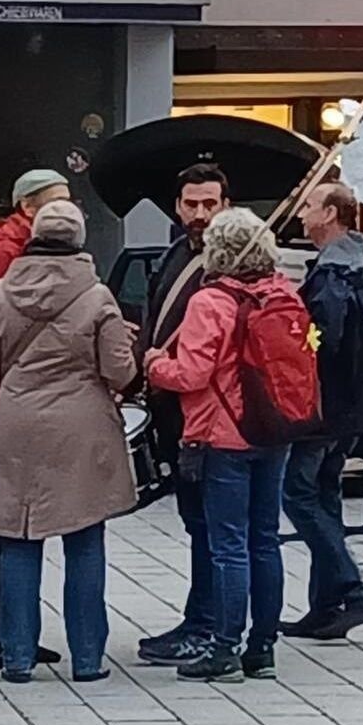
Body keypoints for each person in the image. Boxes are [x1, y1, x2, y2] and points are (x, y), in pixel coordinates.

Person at [0, 201, 136, 684]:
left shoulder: (1, 292)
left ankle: (16, 656)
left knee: (19, 537)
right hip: (82, 424)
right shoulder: (98, 297)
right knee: (84, 539)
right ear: (79, 241)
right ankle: (87, 659)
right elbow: (119, 370)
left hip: (17, 419)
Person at [146, 208, 303, 683]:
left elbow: (190, 374)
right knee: (265, 540)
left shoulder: (210, 301)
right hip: (274, 430)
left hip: (222, 434)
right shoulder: (284, 293)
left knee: (227, 545)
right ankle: (263, 648)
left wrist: (155, 364)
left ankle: (224, 647)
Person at [0, 168, 73, 672]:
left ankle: (1, 630)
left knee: (9, 523)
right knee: (4, 525)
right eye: (57, 203)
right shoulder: (5, 257)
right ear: (28, 208)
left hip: (2, 401)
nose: (69, 212)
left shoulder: (8, 251)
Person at [283, 182, 363, 642]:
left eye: (308, 206)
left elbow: (324, 339)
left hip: (326, 402)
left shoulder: (332, 275)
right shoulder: (359, 260)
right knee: (323, 494)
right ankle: (327, 605)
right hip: (353, 400)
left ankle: (349, 587)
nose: (302, 215)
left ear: (329, 213)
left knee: (298, 494)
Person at [137, 163, 231, 667]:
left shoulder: (231, 266)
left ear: (225, 205)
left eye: (209, 203)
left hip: (211, 414)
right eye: (191, 204)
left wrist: (163, 366)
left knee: (213, 527)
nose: (199, 213)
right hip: (176, 411)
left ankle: (209, 626)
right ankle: (204, 619)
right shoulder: (175, 255)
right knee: (198, 522)